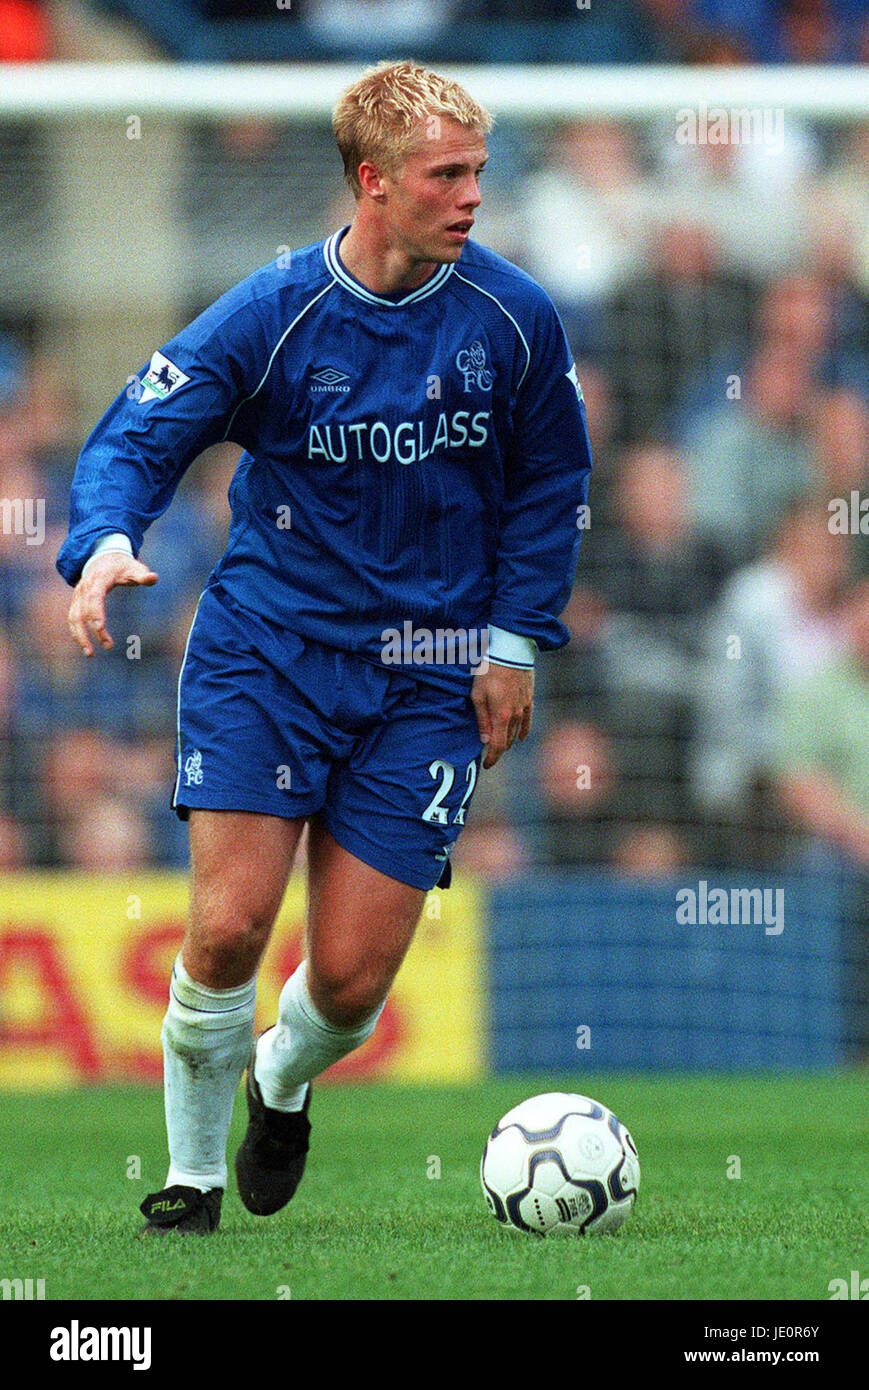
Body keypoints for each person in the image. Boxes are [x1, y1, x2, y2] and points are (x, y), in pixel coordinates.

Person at [57, 60, 592, 1235]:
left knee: (348, 985)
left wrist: (513, 642)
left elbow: (552, 482)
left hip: (433, 675)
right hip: (270, 653)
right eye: (444, 176)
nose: (470, 198)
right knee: (229, 927)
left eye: (477, 174)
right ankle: (191, 1182)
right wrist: (100, 541)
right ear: (373, 181)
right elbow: (140, 434)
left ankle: (279, 1079)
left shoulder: (511, 317)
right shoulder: (273, 311)